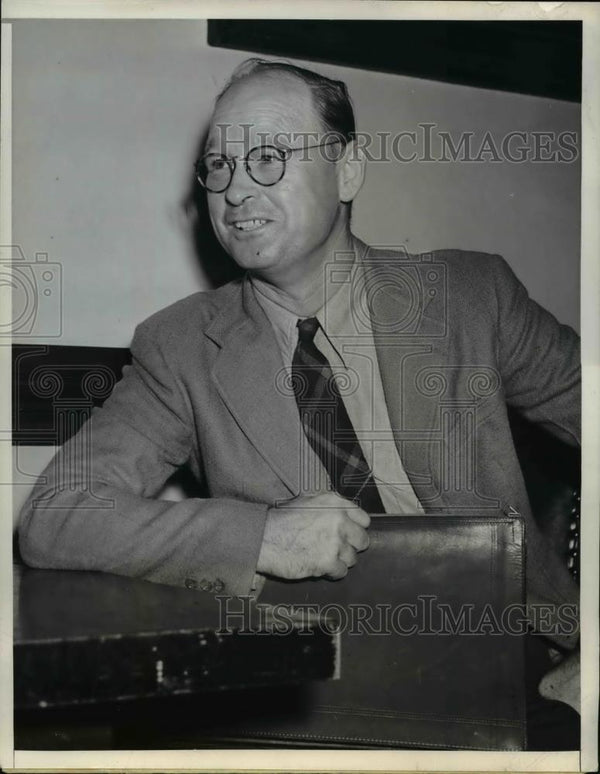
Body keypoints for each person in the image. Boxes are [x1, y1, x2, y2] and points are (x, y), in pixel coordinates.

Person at [17, 58, 580, 748]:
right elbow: (55, 514)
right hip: (310, 693)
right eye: (218, 165)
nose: (235, 190)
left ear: (348, 172)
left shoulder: (471, 297)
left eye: (267, 157)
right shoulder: (183, 346)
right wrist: (261, 537)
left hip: (517, 672)